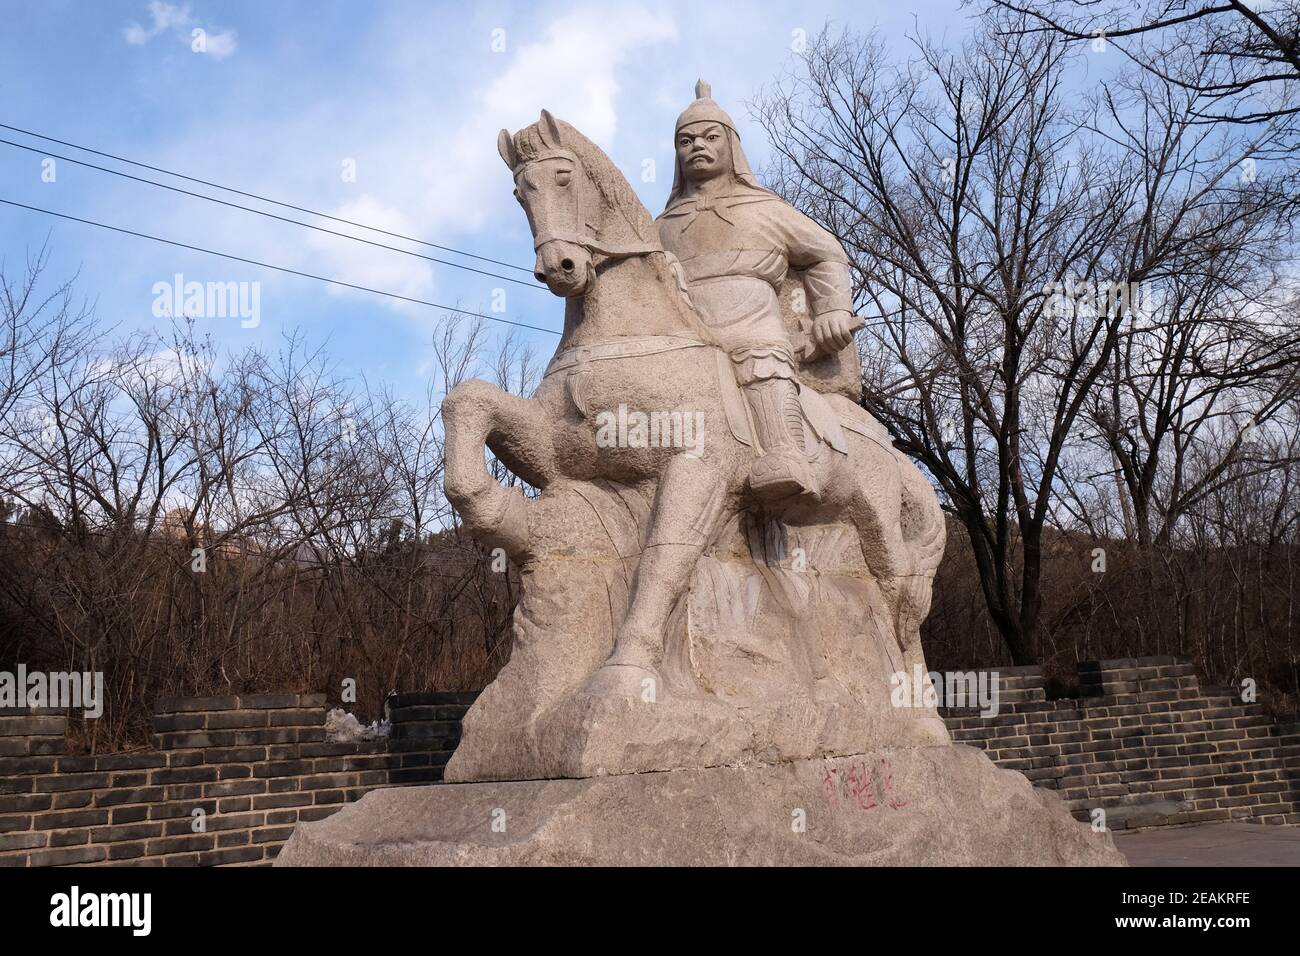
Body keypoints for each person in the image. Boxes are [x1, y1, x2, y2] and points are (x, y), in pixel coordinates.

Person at [657, 80, 858, 502]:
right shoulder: (660, 228)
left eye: (710, 137)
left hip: (753, 333)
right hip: (685, 342)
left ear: (730, 145)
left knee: (761, 361)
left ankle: (784, 453)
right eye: (686, 140)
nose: (697, 146)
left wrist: (832, 311)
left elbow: (826, 253)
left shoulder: (766, 210)